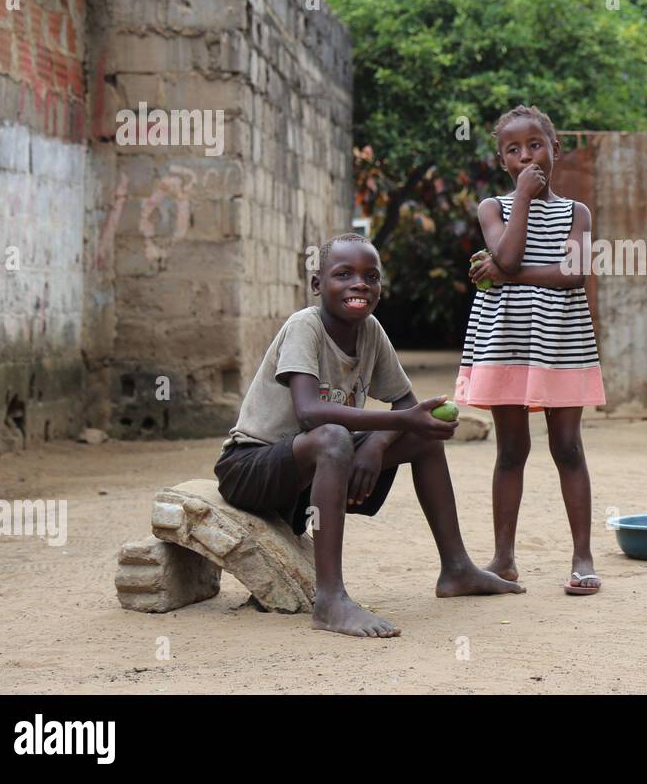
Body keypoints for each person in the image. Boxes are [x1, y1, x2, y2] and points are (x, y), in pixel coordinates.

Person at [214, 233, 522, 638]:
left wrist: (377, 445)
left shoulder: (370, 331)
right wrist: (397, 424)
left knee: (423, 439)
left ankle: (456, 568)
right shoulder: (304, 326)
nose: (360, 284)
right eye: (343, 274)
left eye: (371, 276)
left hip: (307, 471)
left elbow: (405, 403)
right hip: (250, 467)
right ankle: (329, 601)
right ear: (317, 285)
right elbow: (309, 413)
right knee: (334, 436)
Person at [457, 105, 607, 595]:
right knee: (510, 450)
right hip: (506, 340)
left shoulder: (576, 213)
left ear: (556, 148)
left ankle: (582, 556)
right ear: (502, 162)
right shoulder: (492, 208)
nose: (526, 157)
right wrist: (521, 198)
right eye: (513, 150)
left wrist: (504, 274)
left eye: (535, 145)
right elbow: (509, 252)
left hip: (560, 342)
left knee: (567, 447)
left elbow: (571, 275)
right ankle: (503, 558)